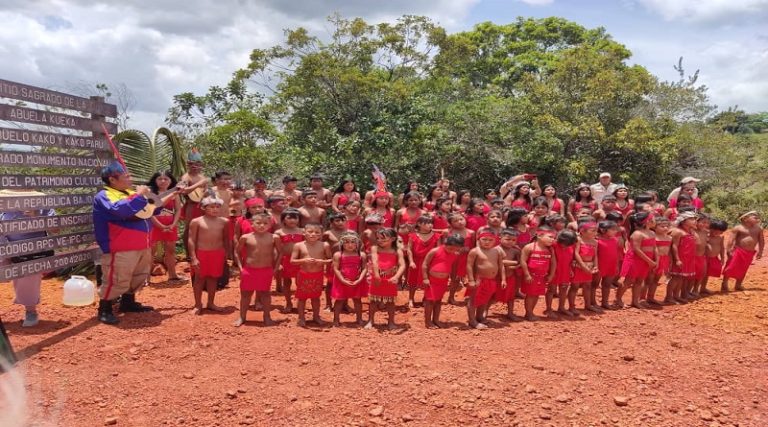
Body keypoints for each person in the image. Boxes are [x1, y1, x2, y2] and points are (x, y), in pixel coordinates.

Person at [93, 162, 168, 324]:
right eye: (126, 176)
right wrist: (139, 196)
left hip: (142, 244)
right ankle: (105, 309)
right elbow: (121, 210)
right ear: (112, 180)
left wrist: (163, 196)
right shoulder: (104, 196)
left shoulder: (130, 193)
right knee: (116, 277)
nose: (130, 178)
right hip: (120, 246)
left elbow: (152, 209)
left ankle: (128, 302)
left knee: (138, 275)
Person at [0, 191, 55, 327]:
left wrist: (37, 217)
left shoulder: (42, 205)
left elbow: (56, 229)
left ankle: (30, 311)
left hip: (31, 251)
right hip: (5, 247)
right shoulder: (4, 203)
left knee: (28, 278)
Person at [233, 213, 279, 326]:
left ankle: (267, 317)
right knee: (245, 295)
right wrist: (240, 268)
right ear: (252, 224)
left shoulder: (274, 237)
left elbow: (281, 252)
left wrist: (276, 267)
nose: (262, 225)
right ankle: (242, 317)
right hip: (249, 270)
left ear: (270, 225)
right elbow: (237, 252)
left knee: (265, 294)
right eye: (258, 223)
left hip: (266, 270)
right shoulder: (245, 237)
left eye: (265, 223)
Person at [188, 196, 229, 315]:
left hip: (217, 253)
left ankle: (211, 303)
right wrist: (193, 257)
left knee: (213, 278)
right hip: (201, 253)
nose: (215, 209)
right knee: (199, 279)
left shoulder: (224, 222)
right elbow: (191, 240)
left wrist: (226, 253)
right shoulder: (197, 221)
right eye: (212, 207)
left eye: (217, 207)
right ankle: (197, 304)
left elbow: (226, 238)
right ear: (204, 208)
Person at [290, 223, 332, 327]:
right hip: (303, 275)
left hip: (318, 275)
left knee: (316, 297)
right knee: (302, 298)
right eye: (310, 232)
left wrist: (322, 262)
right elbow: (292, 261)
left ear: (321, 234)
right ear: (304, 232)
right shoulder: (298, 245)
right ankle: (301, 318)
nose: (313, 234)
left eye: (317, 232)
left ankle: (316, 317)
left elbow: (330, 260)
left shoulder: (324, 245)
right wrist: (304, 260)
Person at [148, 171, 184, 283]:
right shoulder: (150, 193)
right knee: (151, 251)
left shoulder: (175, 194)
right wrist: (160, 225)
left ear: (171, 181)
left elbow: (178, 210)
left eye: (166, 179)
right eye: (160, 179)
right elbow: (149, 211)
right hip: (153, 224)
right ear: (155, 180)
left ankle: (173, 275)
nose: (163, 181)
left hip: (170, 224)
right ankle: (146, 278)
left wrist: (173, 224)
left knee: (171, 250)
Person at [366, 228, 406, 330]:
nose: (379, 241)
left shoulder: (397, 251)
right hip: (376, 278)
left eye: (383, 239)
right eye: (378, 238)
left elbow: (402, 265)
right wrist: (376, 275)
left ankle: (391, 322)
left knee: (390, 302)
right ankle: (370, 321)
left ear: (393, 239)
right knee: (373, 301)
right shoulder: (375, 248)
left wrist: (396, 276)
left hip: (390, 279)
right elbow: (375, 261)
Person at [422, 235, 464, 328]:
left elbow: (454, 268)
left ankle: (436, 320)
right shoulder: (435, 251)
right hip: (432, 280)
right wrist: (425, 278)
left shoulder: (455, 255)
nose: (452, 250)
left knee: (438, 301)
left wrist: (453, 279)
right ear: (445, 244)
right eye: (450, 248)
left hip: (443, 281)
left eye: (455, 249)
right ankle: (428, 322)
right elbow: (425, 264)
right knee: (430, 301)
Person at [466, 231, 506, 329]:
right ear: (478, 240)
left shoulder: (497, 251)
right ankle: (472, 321)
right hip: (479, 280)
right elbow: (469, 266)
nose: (487, 242)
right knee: (473, 300)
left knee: (485, 299)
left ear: (495, 241)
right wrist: (471, 280)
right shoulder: (475, 251)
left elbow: (501, 265)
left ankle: (479, 317)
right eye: (484, 239)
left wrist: (503, 279)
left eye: (490, 240)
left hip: (491, 280)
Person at [617, 213, 657, 308]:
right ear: (647, 221)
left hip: (645, 260)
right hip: (635, 260)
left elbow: (654, 247)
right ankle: (618, 299)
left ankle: (635, 301)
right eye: (652, 219)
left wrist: (654, 259)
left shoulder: (652, 233)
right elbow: (637, 250)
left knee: (640, 280)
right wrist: (650, 261)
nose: (655, 221)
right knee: (628, 281)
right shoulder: (637, 234)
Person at [331, 232, 368, 327]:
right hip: (342, 281)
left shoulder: (361, 255)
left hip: (357, 280)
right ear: (342, 243)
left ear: (357, 243)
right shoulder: (338, 255)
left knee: (357, 300)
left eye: (353, 242)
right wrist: (343, 280)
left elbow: (364, 268)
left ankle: (359, 319)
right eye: (347, 242)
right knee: (340, 300)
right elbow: (336, 269)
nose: (350, 245)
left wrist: (359, 279)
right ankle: (336, 320)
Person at [722, 211, 764, 292]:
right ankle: (724, 283)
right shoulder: (738, 228)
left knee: (744, 268)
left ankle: (738, 284)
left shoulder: (758, 229)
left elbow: (761, 240)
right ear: (745, 219)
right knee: (730, 267)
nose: (757, 218)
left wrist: (760, 251)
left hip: (749, 252)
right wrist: (729, 250)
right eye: (754, 217)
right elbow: (731, 239)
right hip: (738, 251)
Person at [519, 227, 556, 321]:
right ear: (539, 236)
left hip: (542, 277)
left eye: (554, 238)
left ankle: (531, 312)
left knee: (536, 294)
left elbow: (553, 263)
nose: (553, 239)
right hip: (531, 276)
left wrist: (551, 275)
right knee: (530, 294)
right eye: (550, 237)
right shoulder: (529, 247)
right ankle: (528, 313)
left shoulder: (550, 249)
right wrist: (527, 274)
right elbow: (523, 261)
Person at [407, 215, 441, 308]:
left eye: (431, 223)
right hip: (416, 261)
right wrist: (411, 261)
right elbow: (409, 250)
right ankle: (411, 299)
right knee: (413, 281)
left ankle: (425, 298)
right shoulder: (413, 236)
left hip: (430, 262)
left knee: (429, 281)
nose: (430, 225)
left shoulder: (437, 236)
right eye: (427, 223)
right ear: (419, 224)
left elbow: (439, 250)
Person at [179, 150, 208, 257]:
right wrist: (199, 184)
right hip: (191, 205)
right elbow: (183, 191)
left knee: (202, 228)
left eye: (197, 164)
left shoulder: (202, 177)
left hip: (202, 205)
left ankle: (199, 252)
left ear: (201, 165)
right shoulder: (186, 177)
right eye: (191, 164)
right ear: (188, 165)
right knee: (189, 228)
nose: (194, 166)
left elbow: (205, 192)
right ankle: (189, 254)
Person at [274, 208, 304, 312]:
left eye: (295, 218)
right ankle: (288, 303)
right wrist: (278, 263)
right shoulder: (279, 232)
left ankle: (300, 303)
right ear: (283, 219)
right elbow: (276, 249)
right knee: (286, 282)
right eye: (289, 218)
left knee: (300, 283)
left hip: (299, 260)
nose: (293, 220)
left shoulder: (302, 231)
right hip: (285, 260)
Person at [666, 211, 697, 304]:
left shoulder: (690, 231)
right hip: (680, 258)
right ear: (683, 221)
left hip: (688, 258)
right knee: (676, 277)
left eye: (694, 219)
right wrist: (677, 259)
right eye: (691, 219)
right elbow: (674, 246)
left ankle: (676, 296)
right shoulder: (677, 231)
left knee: (681, 278)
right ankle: (668, 297)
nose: (694, 221)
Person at [571, 222, 599, 314]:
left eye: (596, 231)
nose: (595, 232)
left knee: (587, 286)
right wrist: (582, 265)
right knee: (575, 287)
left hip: (589, 266)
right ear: (583, 231)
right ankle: (571, 307)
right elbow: (576, 253)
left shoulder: (595, 242)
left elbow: (595, 255)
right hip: (578, 266)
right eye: (593, 230)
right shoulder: (579, 240)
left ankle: (588, 305)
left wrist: (596, 266)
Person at [448, 212, 475, 305]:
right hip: (454, 259)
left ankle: (470, 297)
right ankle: (451, 297)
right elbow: (445, 245)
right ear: (451, 223)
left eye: (461, 219)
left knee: (471, 278)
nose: (459, 222)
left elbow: (474, 247)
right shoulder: (449, 232)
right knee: (455, 279)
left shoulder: (471, 233)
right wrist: (454, 250)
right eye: (455, 221)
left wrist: (468, 249)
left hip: (467, 259)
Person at [550, 229, 577, 316]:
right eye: (565, 244)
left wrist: (570, 269)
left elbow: (570, 259)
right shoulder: (553, 245)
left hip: (565, 270)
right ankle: (549, 309)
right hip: (554, 270)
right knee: (551, 290)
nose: (566, 246)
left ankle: (561, 307)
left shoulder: (571, 246)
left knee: (564, 289)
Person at [496, 229, 522, 320]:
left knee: (511, 296)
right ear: (500, 238)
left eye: (513, 240)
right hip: (497, 277)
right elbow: (499, 262)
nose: (510, 242)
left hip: (510, 276)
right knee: (492, 296)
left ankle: (510, 313)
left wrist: (512, 266)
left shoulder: (515, 251)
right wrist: (514, 263)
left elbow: (521, 262)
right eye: (507, 239)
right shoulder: (496, 250)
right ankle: (485, 312)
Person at [647, 217, 672, 305]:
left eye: (667, 226)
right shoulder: (653, 237)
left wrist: (670, 262)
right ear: (655, 227)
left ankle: (651, 297)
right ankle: (642, 298)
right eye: (662, 226)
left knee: (656, 279)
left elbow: (669, 251)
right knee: (649, 280)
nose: (665, 228)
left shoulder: (669, 238)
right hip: (654, 260)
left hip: (664, 259)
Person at [596, 221, 620, 310]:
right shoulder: (597, 240)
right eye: (612, 229)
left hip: (611, 264)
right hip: (600, 265)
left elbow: (616, 254)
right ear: (603, 230)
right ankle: (592, 302)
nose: (615, 231)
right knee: (594, 285)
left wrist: (616, 265)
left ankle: (605, 302)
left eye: (616, 229)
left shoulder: (615, 240)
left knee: (607, 284)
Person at [705, 219, 727, 293]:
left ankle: (703, 288)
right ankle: (695, 289)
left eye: (721, 232)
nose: (718, 233)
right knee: (701, 274)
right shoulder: (706, 236)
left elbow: (722, 248)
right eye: (716, 231)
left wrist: (722, 258)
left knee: (707, 274)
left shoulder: (720, 238)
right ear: (710, 229)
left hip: (714, 258)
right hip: (705, 258)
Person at [692, 215, 711, 296]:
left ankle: (696, 289)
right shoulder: (692, 231)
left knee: (702, 274)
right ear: (696, 221)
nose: (705, 224)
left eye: (707, 223)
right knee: (692, 275)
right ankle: (687, 291)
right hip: (693, 257)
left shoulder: (706, 232)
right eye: (703, 222)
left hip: (702, 256)